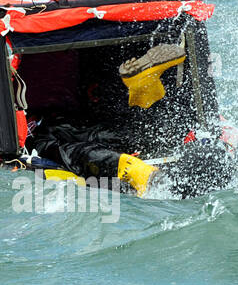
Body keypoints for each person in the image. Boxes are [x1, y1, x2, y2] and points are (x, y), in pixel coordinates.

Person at [24, 42, 188, 196]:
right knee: (138, 135)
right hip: (87, 110)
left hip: (53, 121)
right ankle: (145, 88)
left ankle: (131, 168)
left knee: (59, 150)